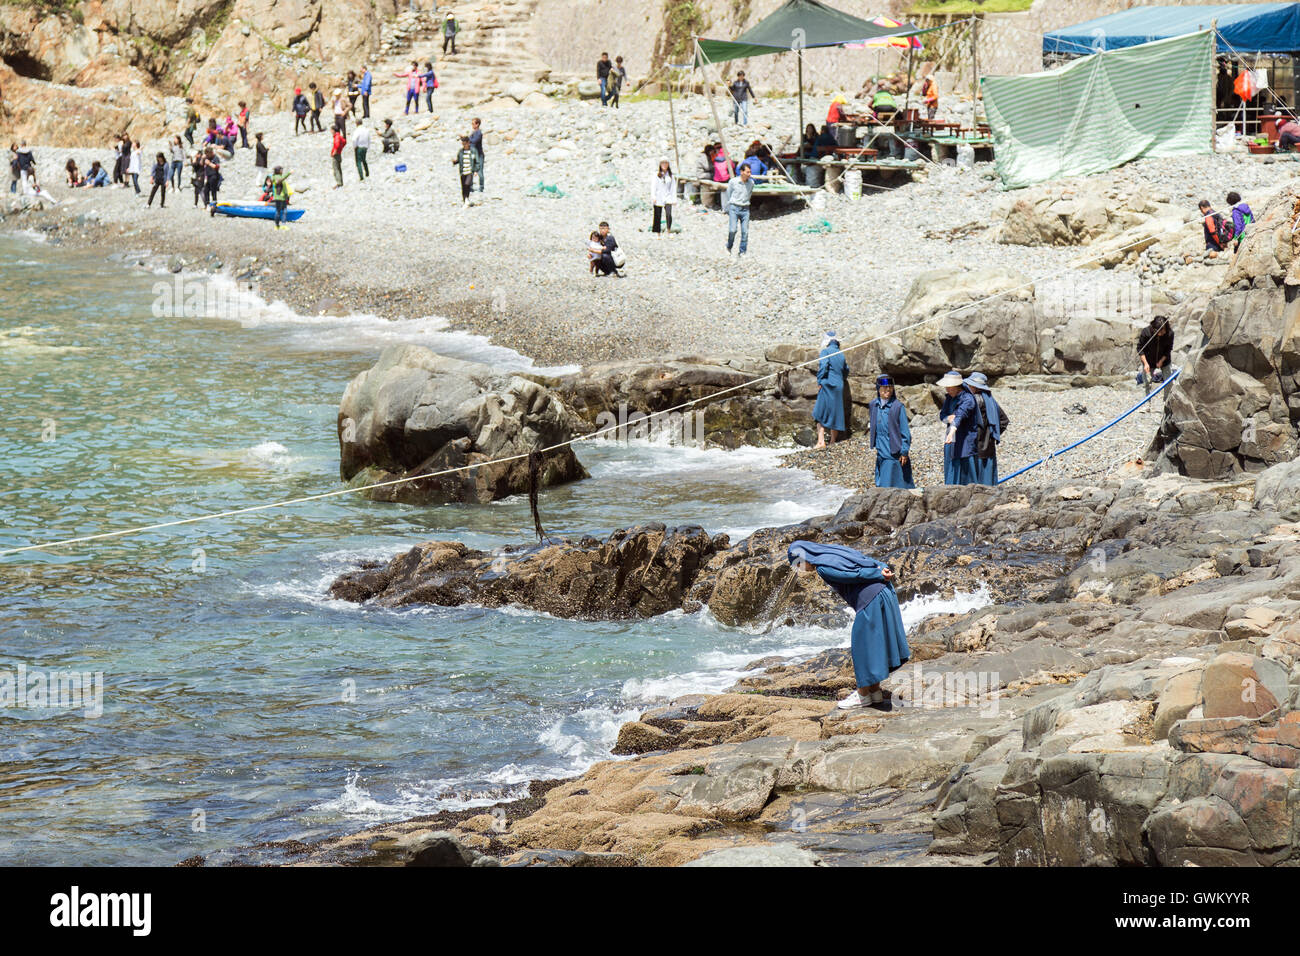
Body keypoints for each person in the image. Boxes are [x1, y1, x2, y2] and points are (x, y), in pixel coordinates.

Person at [787, 541, 909, 711]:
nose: (800, 568)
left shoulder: (823, 567)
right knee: (872, 644)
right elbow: (863, 559)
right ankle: (874, 692)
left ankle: (862, 695)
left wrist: (877, 574)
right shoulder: (834, 551)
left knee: (862, 646)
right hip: (884, 592)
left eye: (798, 563)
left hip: (871, 598)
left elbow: (854, 575)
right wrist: (882, 568)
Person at [868, 375, 914, 488]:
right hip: (881, 454)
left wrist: (904, 452)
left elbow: (905, 432)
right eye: (884, 387)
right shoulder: (873, 405)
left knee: (895, 487)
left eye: (890, 387)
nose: (887, 390)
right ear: (878, 388)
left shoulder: (898, 407)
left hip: (894, 455)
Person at [964, 372, 1005, 486]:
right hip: (989, 446)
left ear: (975, 387)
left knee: (975, 482)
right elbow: (1004, 420)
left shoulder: (972, 400)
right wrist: (993, 434)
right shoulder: (990, 400)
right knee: (988, 482)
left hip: (974, 447)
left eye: (970, 385)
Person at [938, 369, 977, 485]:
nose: (948, 389)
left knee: (966, 472)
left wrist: (952, 430)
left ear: (957, 385)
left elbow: (960, 414)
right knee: (951, 468)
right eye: (947, 387)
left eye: (950, 387)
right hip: (952, 441)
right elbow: (942, 415)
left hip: (965, 441)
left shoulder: (968, 399)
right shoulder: (949, 398)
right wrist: (947, 418)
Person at [813, 331, 847, 448]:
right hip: (839, 385)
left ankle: (821, 442)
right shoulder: (841, 354)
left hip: (827, 385)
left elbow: (823, 366)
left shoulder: (825, 351)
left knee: (819, 412)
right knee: (835, 413)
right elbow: (846, 370)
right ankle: (832, 441)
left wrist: (819, 380)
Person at [1136, 316, 1174, 391]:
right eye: (1159, 331)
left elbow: (1168, 349)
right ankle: (1146, 400)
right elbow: (1140, 349)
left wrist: (1161, 361)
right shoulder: (1146, 332)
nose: (1161, 333)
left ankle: (1167, 401)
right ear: (1154, 328)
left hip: (1164, 360)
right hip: (1149, 360)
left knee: (1169, 382)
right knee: (1146, 382)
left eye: (1163, 331)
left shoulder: (1169, 333)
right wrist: (1145, 363)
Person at [724, 163, 753, 257]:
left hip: (745, 209)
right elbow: (729, 193)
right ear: (741, 172)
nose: (749, 174)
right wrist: (731, 203)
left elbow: (749, 193)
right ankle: (729, 246)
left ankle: (742, 251)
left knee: (745, 232)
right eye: (747, 172)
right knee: (733, 230)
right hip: (734, 208)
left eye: (750, 172)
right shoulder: (733, 182)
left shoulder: (751, 183)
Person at [651, 159, 675, 236]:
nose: (664, 165)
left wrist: (674, 199)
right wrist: (653, 196)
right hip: (658, 197)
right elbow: (653, 187)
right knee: (657, 215)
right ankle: (658, 233)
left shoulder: (671, 175)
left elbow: (673, 188)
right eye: (663, 163)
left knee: (668, 214)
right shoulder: (656, 175)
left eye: (666, 163)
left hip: (668, 197)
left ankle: (668, 230)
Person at [453, 134, 477, 204]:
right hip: (462, 172)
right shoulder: (460, 151)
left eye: (465, 144)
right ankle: (465, 200)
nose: (464, 145)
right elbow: (458, 160)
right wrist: (454, 162)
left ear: (468, 143)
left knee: (467, 184)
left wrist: (476, 170)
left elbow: (477, 161)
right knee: (463, 187)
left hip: (470, 171)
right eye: (463, 144)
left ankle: (467, 199)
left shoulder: (473, 151)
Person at [469, 116, 484, 192]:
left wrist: (468, 139)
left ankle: (481, 187)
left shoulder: (478, 133)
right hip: (473, 154)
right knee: (471, 170)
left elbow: (474, 141)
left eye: (473, 124)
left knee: (480, 171)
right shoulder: (474, 132)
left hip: (479, 155)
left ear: (477, 124)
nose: (472, 125)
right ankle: (470, 187)